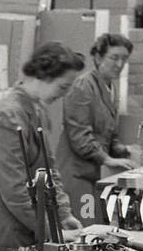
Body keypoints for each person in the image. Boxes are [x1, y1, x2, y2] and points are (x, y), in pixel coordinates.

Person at [0, 41, 88, 251]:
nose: (64, 94)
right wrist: (53, 231)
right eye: (63, 87)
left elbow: (49, 169)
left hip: (25, 220)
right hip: (2, 223)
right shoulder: (8, 117)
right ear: (43, 76)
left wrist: (63, 214)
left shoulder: (35, 110)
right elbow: (13, 189)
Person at [56, 32, 137, 221]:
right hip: (77, 174)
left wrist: (125, 150)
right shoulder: (83, 87)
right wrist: (107, 159)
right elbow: (80, 135)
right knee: (84, 226)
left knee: (95, 225)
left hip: (95, 174)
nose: (119, 64)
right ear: (98, 57)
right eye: (114, 58)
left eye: (124, 59)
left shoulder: (111, 88)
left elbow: (109, 134)